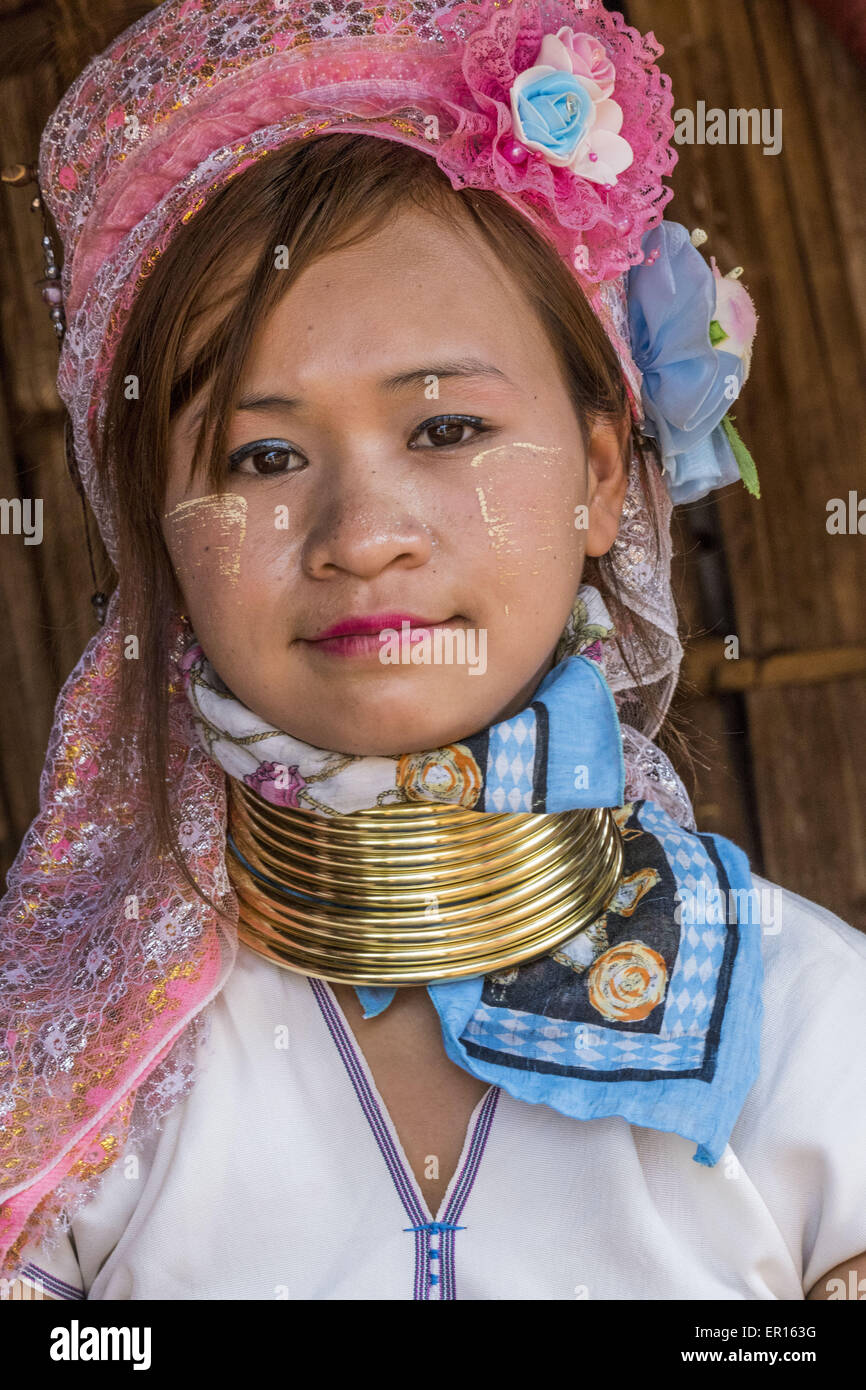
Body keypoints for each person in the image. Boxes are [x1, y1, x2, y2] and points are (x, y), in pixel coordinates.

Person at [1, 0, 865, 1302]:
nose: (362, 535)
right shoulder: (56, 1108)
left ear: (595, 477)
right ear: (155, 535)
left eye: (448, 428)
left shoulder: (810, 1032)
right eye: (264, 455)